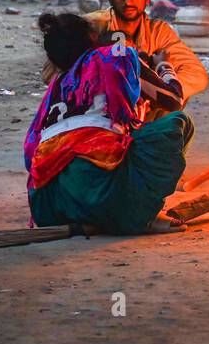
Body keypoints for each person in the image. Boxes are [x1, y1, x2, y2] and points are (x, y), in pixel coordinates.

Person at [25, 13, 193, 234]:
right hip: (102, 192)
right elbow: (174, 100)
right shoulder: (114, 57)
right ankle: (142, 214)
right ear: (91, 37)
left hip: (47, 204)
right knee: (178, 124)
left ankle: (88, 215)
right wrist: (163, 65)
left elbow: (30, 155)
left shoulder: (56, 84)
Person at [78, 0, 209, 120]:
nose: (128, 1)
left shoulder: (159, 32)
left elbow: (196, 73)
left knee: (180, 119)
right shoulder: (93, 26)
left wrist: (158, 90)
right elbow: (52, 73)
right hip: (103, 117)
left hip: (148, 115)